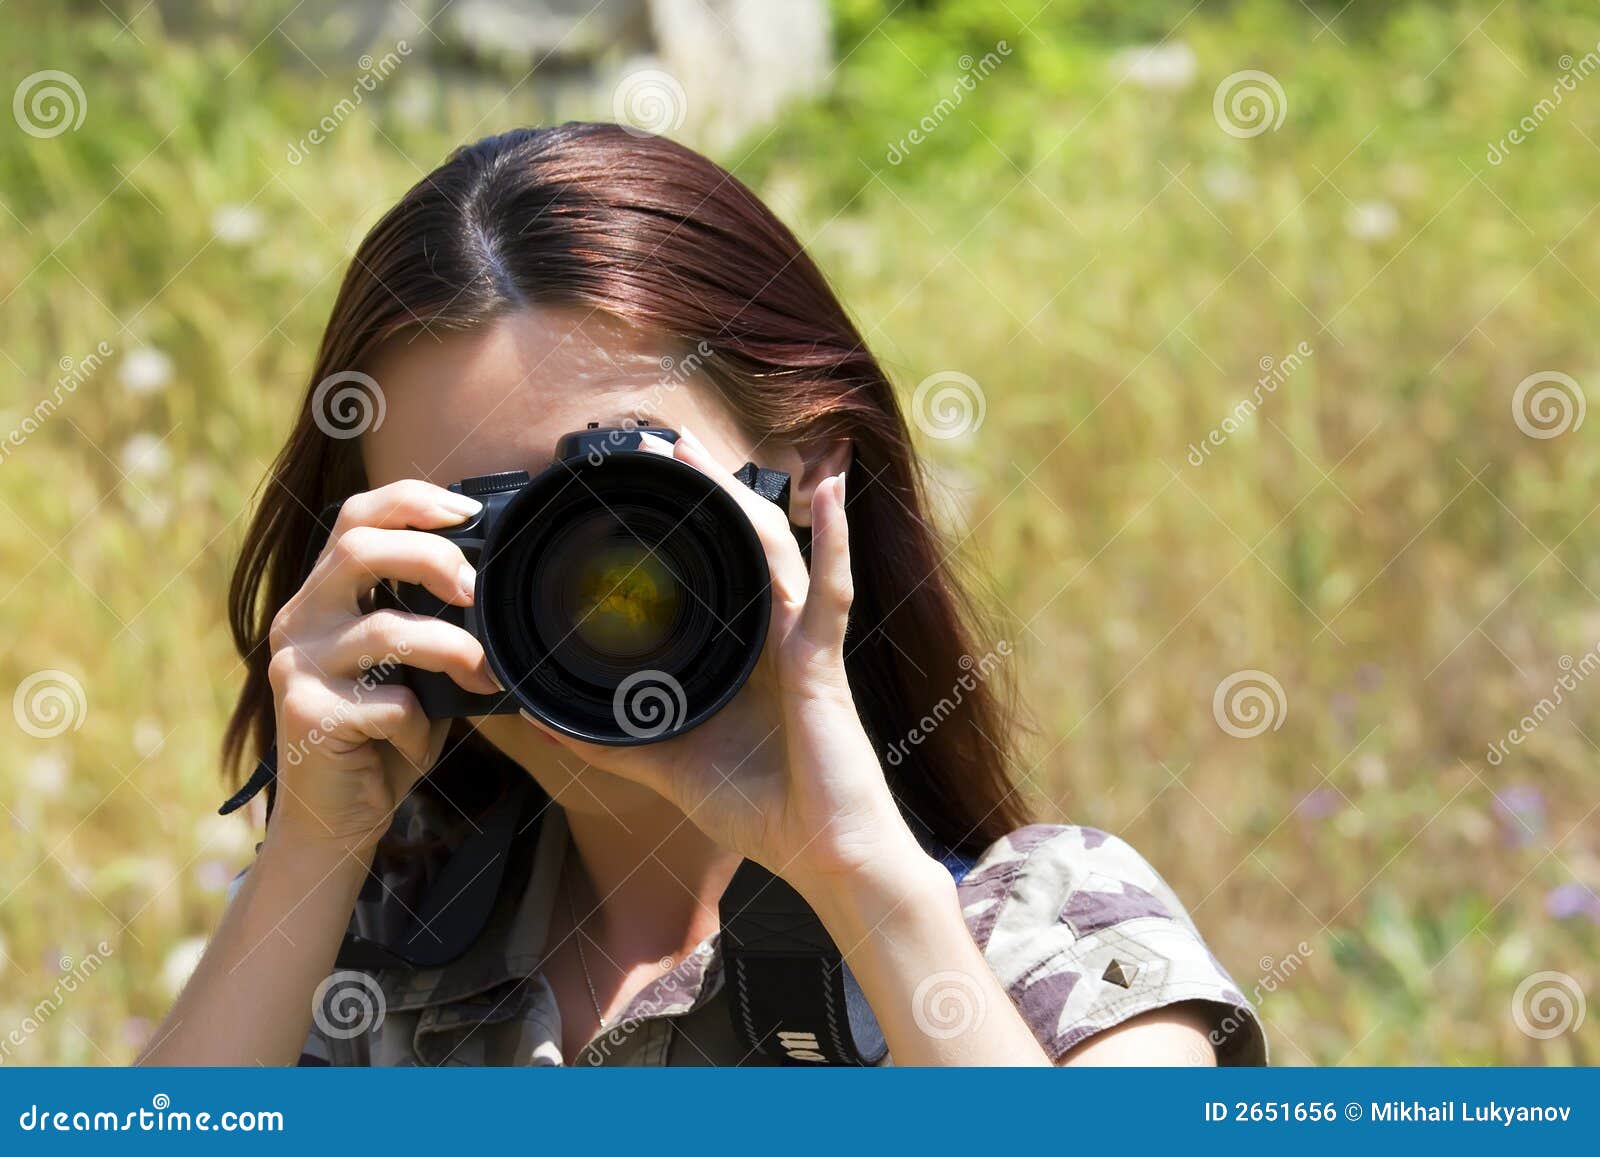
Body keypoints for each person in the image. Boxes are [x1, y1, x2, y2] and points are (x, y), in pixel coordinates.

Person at [140, 124, 1265, 1067]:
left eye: (624, 506)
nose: (578, 589)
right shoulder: (357, 968)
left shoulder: (1046, 942)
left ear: (813, 487)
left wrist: (854, 873)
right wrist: (312, 857)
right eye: (478, 528)